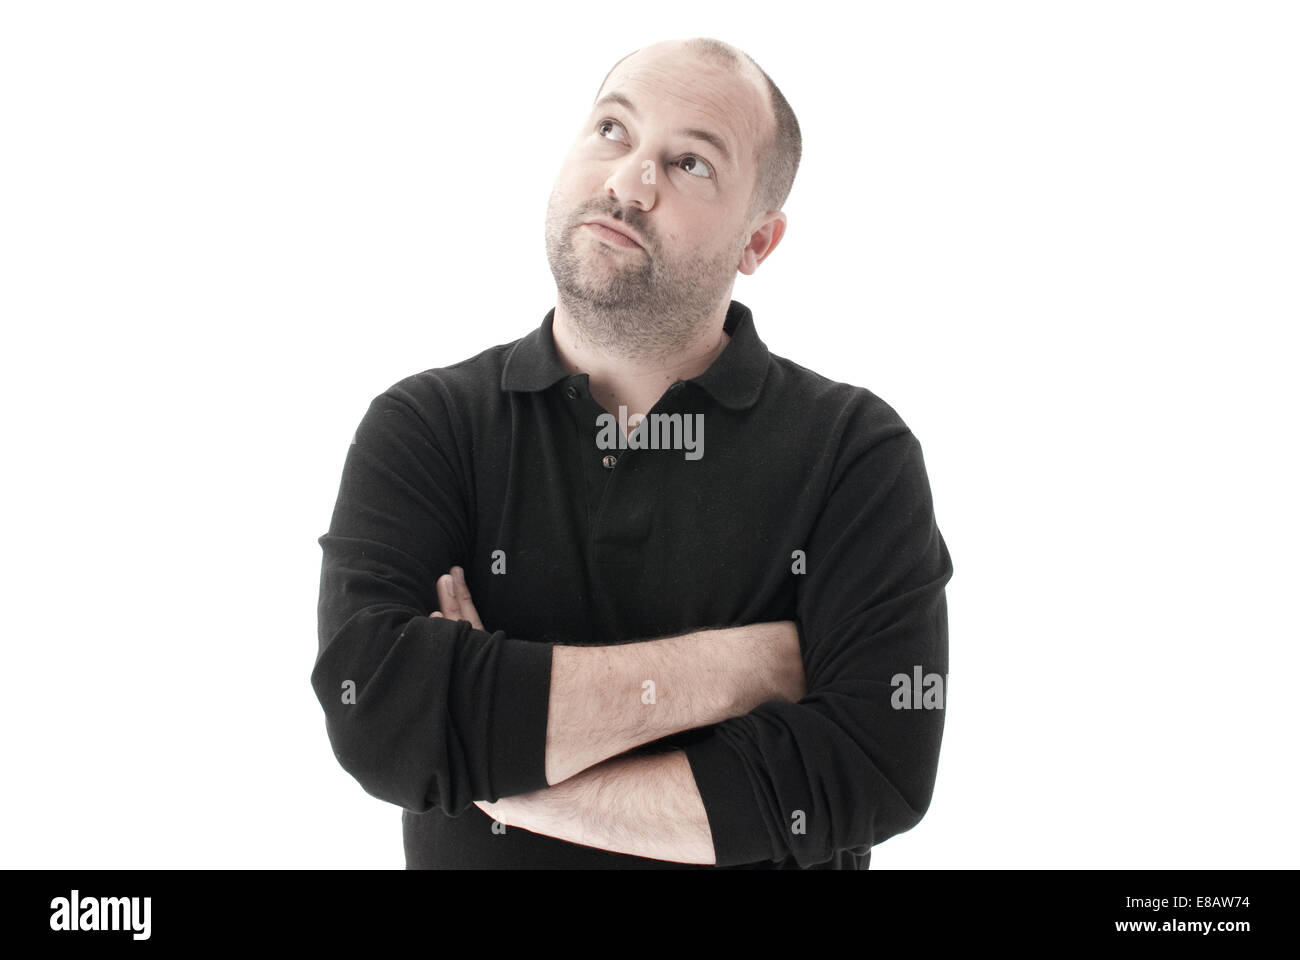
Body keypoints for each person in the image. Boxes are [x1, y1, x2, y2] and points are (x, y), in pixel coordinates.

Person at [313, 36, 953, 869]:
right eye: (614, 130)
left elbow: (873, 767)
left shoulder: (856, 455)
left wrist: (498, 767)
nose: (629, 183)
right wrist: (742, 668)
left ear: (758, 243)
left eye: (690, 164)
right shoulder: (425, 427)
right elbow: (383, 716)